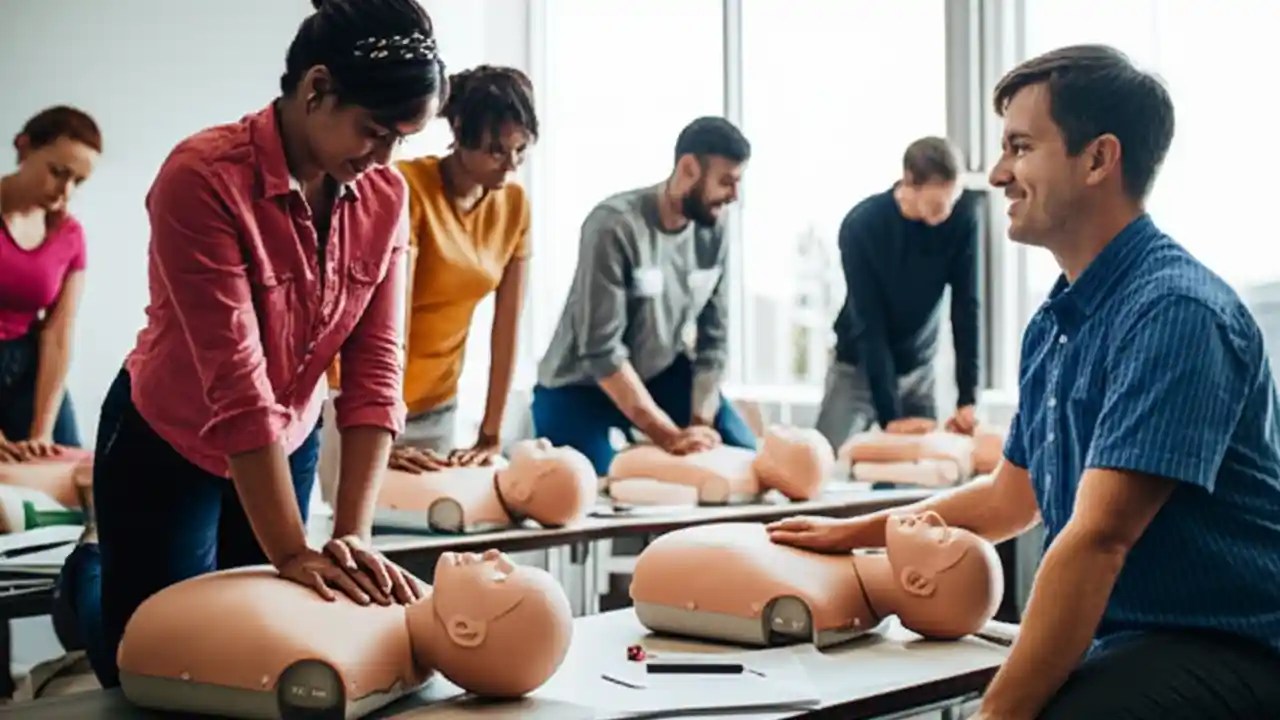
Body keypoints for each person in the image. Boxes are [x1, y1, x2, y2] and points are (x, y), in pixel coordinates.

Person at [768, 45, 1280, 719]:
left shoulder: (1175, 313)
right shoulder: (1055, 324)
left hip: (1231, 649)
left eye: (1020, 147)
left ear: (1098, 160)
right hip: (1135, 640)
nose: (998, 174)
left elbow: (1097, 540)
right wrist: (857, 531)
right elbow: (1009, 499)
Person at [80, 0, 448, 689]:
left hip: (288, 436)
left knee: (258, 655)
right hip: (170, 439)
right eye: (373, 132)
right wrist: (292, 550)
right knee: (150, 661)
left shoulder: (385, 196)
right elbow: (237, 381)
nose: (384, 160)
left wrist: (351, 534)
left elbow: (376, 369)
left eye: (401, 140)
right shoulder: (201, 177)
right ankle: (86, 576)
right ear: (316, 89)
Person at [532, 117, 755, 476]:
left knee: (745, 460)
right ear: (688, 168)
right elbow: (601, 351)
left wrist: (699, 425)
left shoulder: (714, 229)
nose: (734, 196)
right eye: (726, 182)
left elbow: (714, 342)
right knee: (586, 485)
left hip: (661, 375)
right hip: (578, 386)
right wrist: (667, 435)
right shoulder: (614, 225)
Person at [388, 64, 538, 471]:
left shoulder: (514, 206)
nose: (510, 165)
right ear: (460, 134)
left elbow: (506, 328)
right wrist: (377, 430)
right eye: (495, 150)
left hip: (438, 405)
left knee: (446, 505)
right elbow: (391, 321)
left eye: (521, 149)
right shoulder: (406, 188)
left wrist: (491, 433)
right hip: (365, 401)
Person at [814, 136, 980, 450]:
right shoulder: (862, 226)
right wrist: (890, 417)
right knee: (821, 458)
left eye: (953, 199)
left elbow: (966, 308)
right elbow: (869, 324)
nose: (947, 212)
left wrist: (967, 399)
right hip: (858, 366)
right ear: (909, 182)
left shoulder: (962, 218)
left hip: (919, 369)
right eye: (937, 204)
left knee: (924, 467)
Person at [0, 107, 101, 461]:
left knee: (64, 468)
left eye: (78, 182)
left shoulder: (69, 234)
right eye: (58, 173)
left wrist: (41, 430)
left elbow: (58, 332)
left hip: (27, 368)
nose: (65, 192)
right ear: (23, 147)